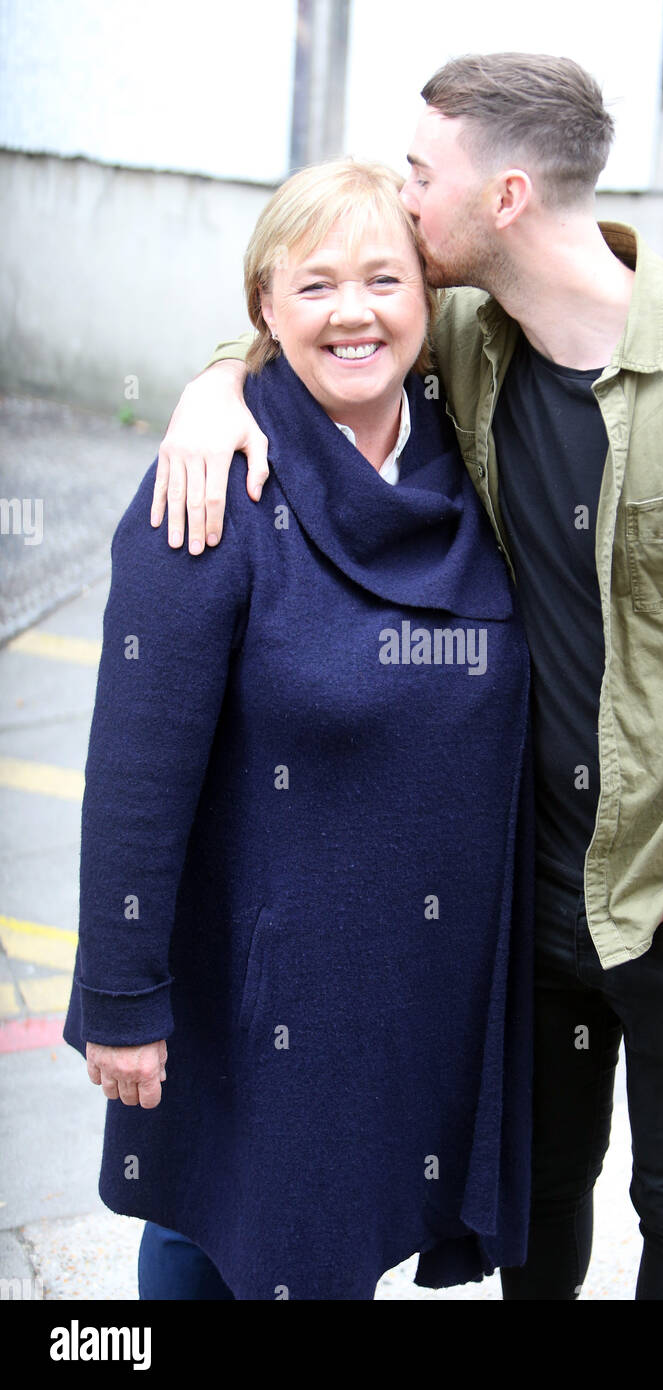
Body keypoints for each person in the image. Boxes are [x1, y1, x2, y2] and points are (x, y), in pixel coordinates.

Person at [148, 56, 663, 1303]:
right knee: (540, 1192)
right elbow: (317, 325)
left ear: (509, 196)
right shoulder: (472, 342)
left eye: (424, 175)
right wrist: (216, 387)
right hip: (532, 892)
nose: (407, 199)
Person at [63, 158, 540, 1301]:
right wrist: (123, 1002)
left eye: (383, 277)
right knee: (211, 1236)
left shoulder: (472, 467)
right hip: (252, 994)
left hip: (402, 999)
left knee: (341, 1244)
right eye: (314, 285)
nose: (354, 311)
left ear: (430, 307)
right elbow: (135, 769)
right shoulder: (211, 484)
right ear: (264, 310)